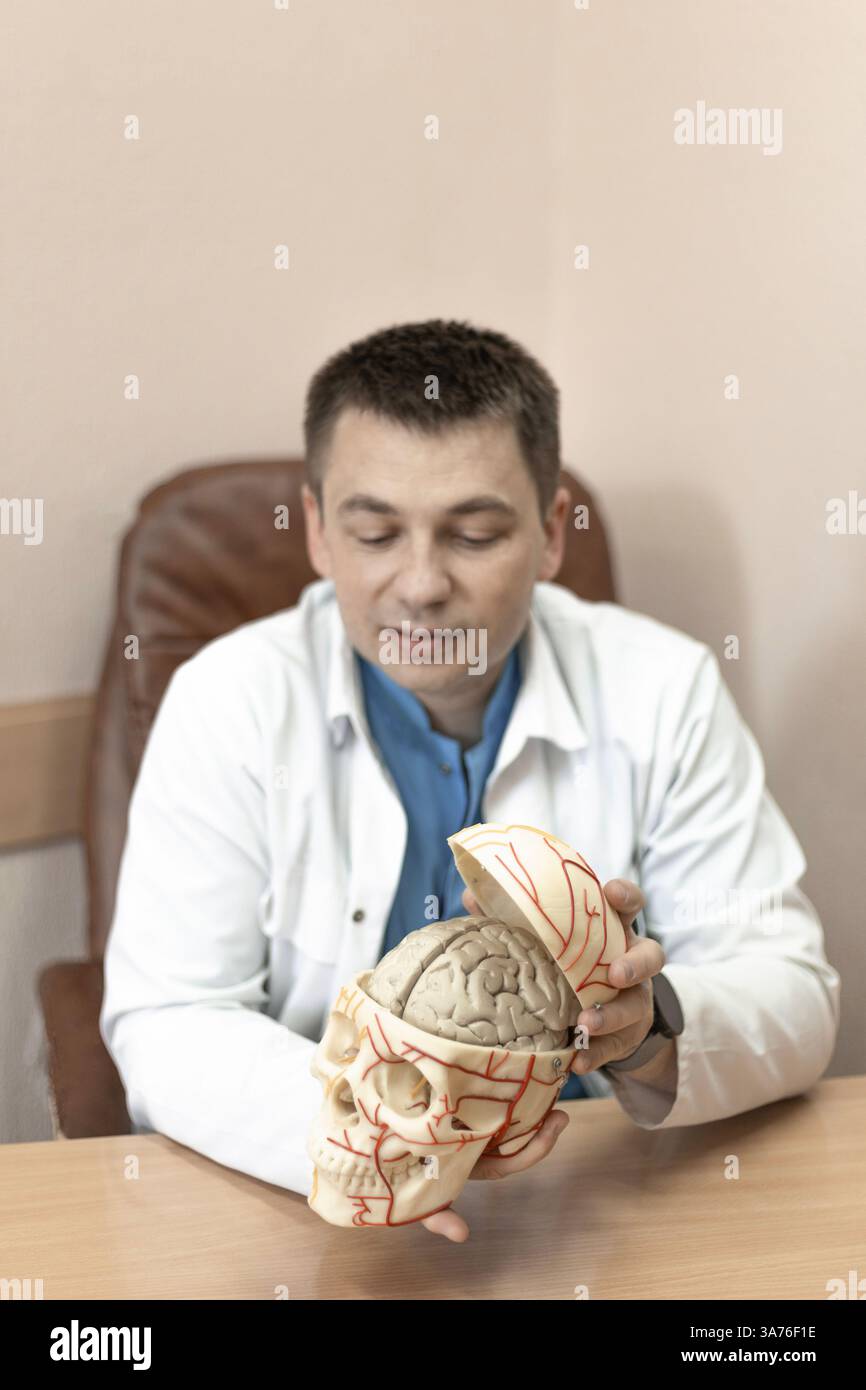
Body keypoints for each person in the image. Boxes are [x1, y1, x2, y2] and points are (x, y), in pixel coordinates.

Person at [100, 319, 840, 1243]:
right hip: (299, 1216)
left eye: (476, 533)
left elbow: (794, 992)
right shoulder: (228, 701)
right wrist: (378, 1143)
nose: (419, 585)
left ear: (552, 534)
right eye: (374, 532)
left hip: (589, 1202)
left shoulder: (662, 688)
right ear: (320, 533)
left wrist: (651, 1029)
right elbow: (171, 1018)